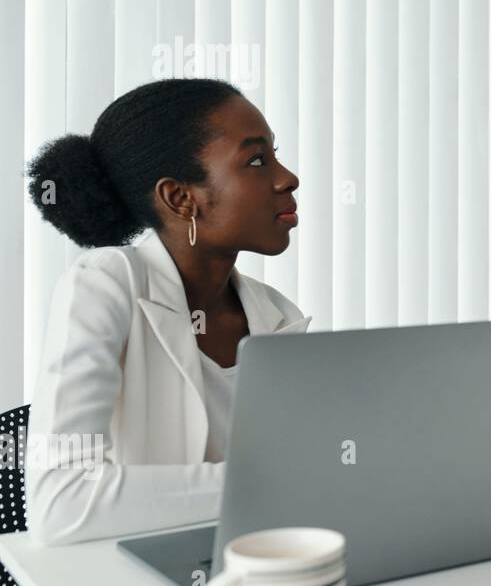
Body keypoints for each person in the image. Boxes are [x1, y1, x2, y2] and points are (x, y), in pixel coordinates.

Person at [22, 78, 308, 553]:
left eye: (274, 156)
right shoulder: (106, 284)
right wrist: (267, 487)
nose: (286, 178)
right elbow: (61, 504)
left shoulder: (277, 314)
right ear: (180, 198)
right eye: (257, 161)